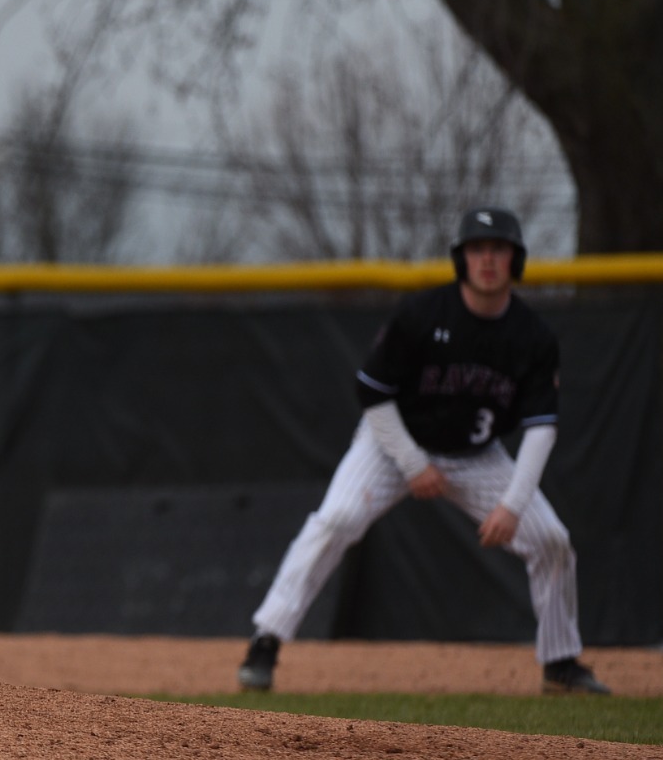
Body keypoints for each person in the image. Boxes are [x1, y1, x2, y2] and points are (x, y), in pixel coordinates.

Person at [237, 207, 609, 695]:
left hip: (477, 456)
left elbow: (542, 428)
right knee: (337, 519)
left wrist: (514, 505)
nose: (488, 260)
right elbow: (373, 393)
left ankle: (560, 662)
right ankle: (266, 639)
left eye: (498, 249)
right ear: (462, 259)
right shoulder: (423, 314)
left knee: (551, 540)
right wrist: (413, 463)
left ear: (515, 259)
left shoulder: (532, 337)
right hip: (392, 445)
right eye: (477, 249)